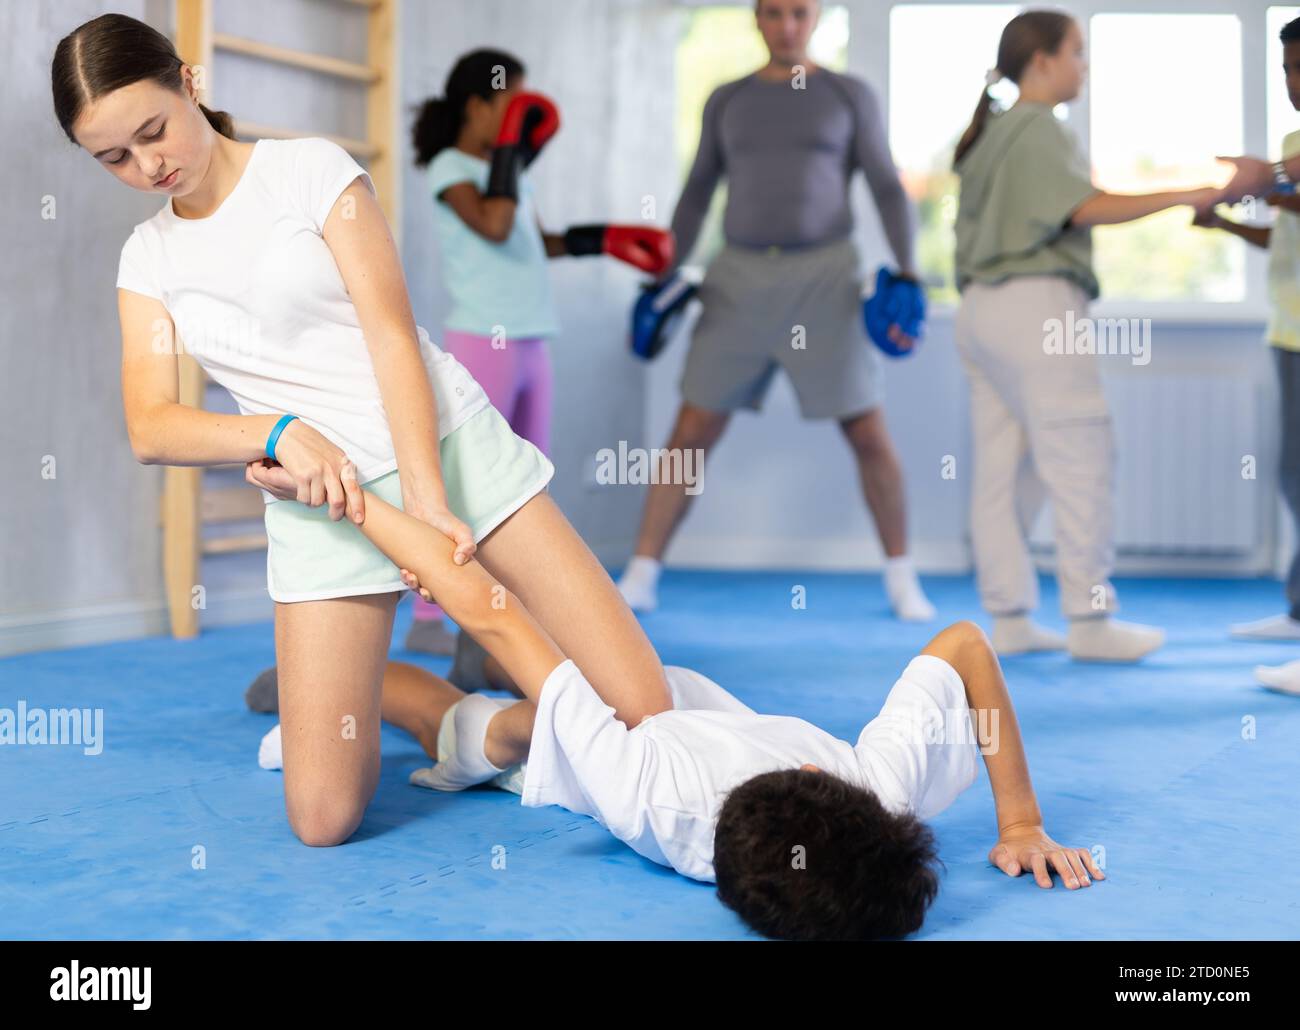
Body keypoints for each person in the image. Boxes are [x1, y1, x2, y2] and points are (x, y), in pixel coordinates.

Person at [54, 11, 670, 848]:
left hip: (445, 449)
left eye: (153, 131)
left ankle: (460, 718)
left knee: (642, 716)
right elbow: (151, 426)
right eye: (113, 158)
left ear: (189, 83)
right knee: (322, 820)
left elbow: (390, 331)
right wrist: (274, 433)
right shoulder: (148, 260)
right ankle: (417, 699)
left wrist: (426, 497)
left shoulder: (309, 171)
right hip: (322, 502)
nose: (146, 165)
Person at [263, 469, 1103, 940]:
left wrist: (349, 500)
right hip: (657, 699)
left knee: (471, 732)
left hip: (603, 730)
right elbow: (963, 644)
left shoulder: (642, 793)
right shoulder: (881, 786)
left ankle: (342, 698)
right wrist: (1020, 820)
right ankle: (378, 693)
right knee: (527, 684)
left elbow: (497, 611)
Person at [616, 0, 937, 623]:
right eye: (771, 13)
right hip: (736, 277)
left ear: (816, 18)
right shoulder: (727, 99)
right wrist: (664, 275)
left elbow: (887, 186)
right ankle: (641, 573)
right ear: (756, 21)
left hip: (825, 276)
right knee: (691, 432)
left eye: (797, 13)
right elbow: (697, 192)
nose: (785, 25)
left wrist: (910, 270)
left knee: (867, 431)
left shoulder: (848, 94)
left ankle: (903, 580)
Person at [952, 9, 1224, 661]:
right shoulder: (1040, 126)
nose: (1085, 65)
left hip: (981, 314)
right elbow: (1084, 207)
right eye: (1077, 51)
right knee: (1081, 458)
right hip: (1037, 309)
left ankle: (1010, 619)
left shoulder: (989, 134)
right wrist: (1190, 193)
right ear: (1040, 61)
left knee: (1003, 470)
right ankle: (1091, 621)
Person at [399, 49, 673, 660]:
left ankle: (505, 605)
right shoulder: (450, 167)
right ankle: (425, 613)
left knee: (525, 478)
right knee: (464, 475)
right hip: (482, 339)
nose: (520, 122)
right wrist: (510, 153)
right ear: (478, 107)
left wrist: (603, 239)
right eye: (511, 106)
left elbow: (532, 239)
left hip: (530, 339)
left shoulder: (508, 172)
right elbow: (492, 226)